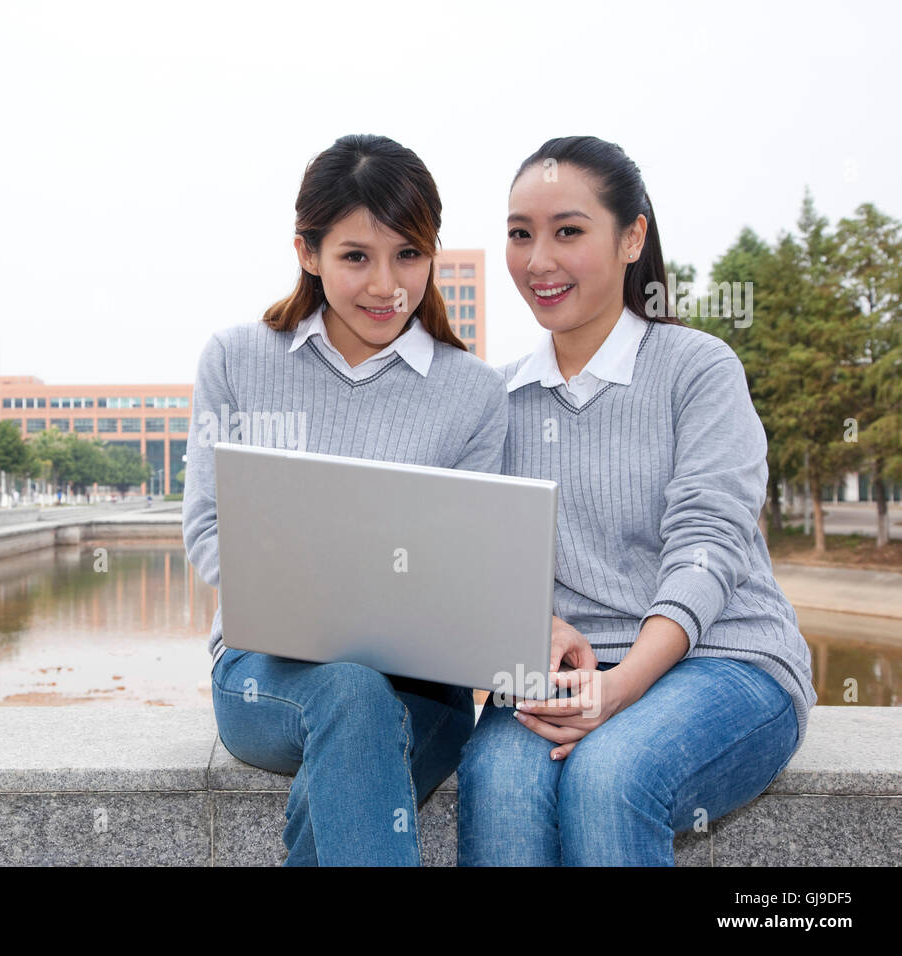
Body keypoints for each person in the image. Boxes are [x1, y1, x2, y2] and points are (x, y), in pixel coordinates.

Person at [184, 133, 592, 866]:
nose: (387, 285)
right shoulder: (236, 360)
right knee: (350, 692)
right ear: (307, 252)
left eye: (408, 254)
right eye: (355, 257)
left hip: (426, 701)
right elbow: (210, 532)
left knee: (360, 722)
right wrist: (313, 602)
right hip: (264, 678)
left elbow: (476, 565)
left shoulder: (471, 391)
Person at [456, 135, 817, 866]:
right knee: (495, 783)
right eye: (520, 235)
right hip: (558, 673)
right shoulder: (494, 399)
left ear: (631, 238)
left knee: (611, 775)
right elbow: (475, 555)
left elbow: (708, 545)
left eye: (568, 231)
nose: (538, 260)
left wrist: (621, 688)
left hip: (723, 657)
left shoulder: (698, 370)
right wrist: (536, 621)